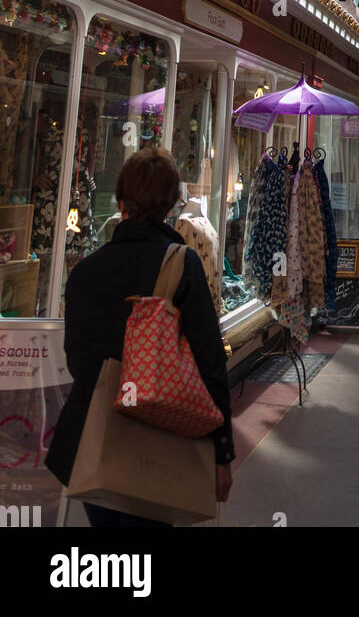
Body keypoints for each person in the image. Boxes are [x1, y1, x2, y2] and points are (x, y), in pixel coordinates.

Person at [46, 147, 234, 527]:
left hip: (92, 441)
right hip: (160, 441)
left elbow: (78, 360)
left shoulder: (85, 272)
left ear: (121, 200)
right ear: (171, 205)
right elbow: (210, 362)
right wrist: (222, 452)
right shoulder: (181, 263)